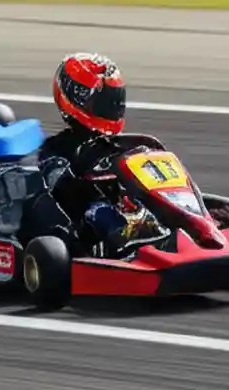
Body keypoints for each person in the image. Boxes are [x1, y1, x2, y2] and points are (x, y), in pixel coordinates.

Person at [37, 52, 160, 251]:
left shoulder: (119, 145)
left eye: (115, 99)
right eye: (104, 101)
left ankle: (192, 222)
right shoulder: (57, 147)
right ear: (76, 100)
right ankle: (127, 234)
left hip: (129, 206)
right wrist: (85, 171)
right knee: (96, 208)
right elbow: (59, 188)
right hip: (83, 228)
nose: (113, 107)